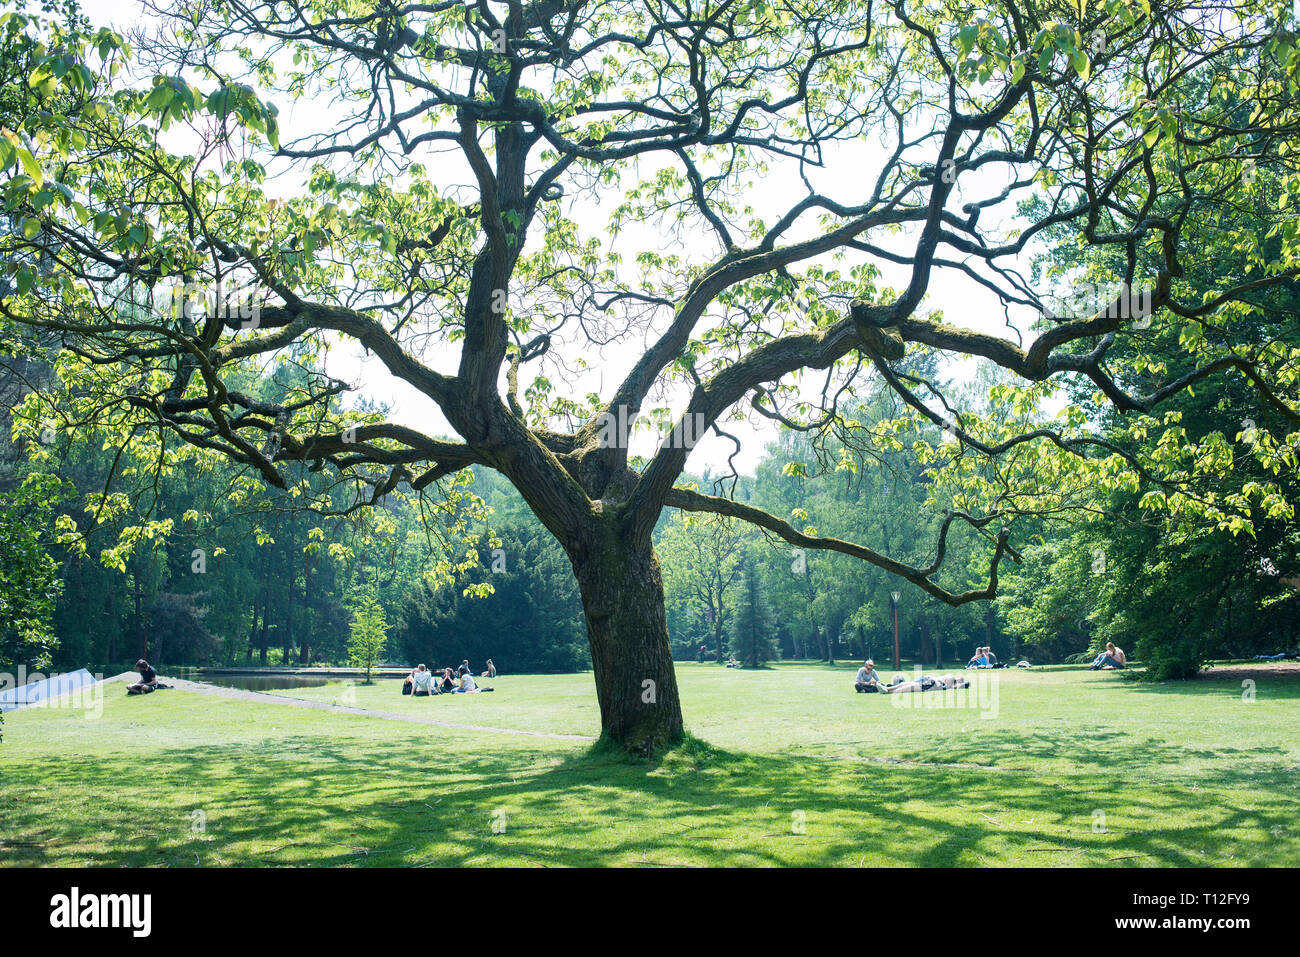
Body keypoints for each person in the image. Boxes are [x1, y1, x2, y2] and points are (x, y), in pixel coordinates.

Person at [882, 673, 970, 694]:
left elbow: (965, 684)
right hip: (929, 680)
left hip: (930, 682)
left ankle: (888, 690)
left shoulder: (953, 683)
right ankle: (887, 689)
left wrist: (962, 684)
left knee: (909, 686)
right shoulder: (951, 678)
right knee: (907, 685)